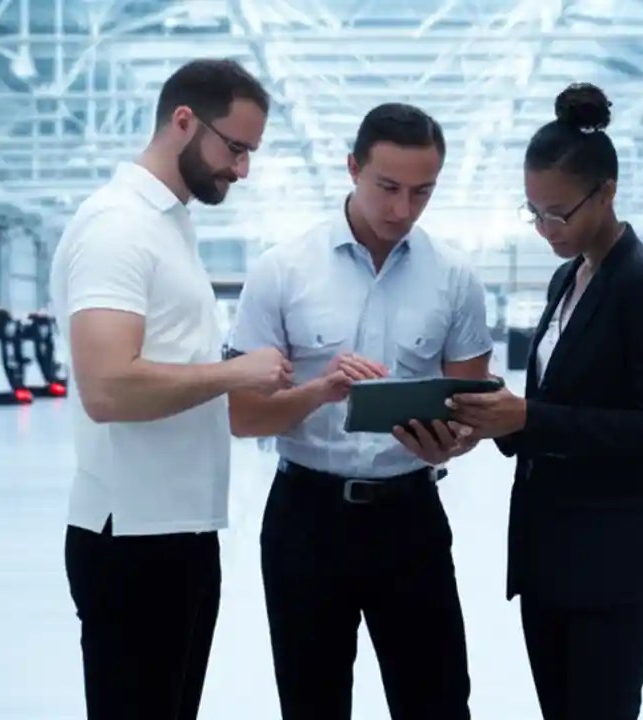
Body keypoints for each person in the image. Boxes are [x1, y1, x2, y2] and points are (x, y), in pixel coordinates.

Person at [225, 102, 493, 720]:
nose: (403, 210)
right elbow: (242, 416)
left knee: (438, 700)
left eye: (422, 192)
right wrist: (319, 390)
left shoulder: (454, 277)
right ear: (352, 168)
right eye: (388, 188)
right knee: (311, 701)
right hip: (306, 521)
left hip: (411, 519)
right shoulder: (282, 270)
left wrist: (449, 442)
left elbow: (472, 412)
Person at [49, 58, 293, 720]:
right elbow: (107, 387)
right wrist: (234, 371)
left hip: (177, 531)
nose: (242, 170)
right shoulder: (117, 226)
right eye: (235, 147)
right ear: (183, 121)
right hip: (131, 540)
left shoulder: (167, 223)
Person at [448, 82, 643, 719]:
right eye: (533, 212)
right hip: (549, 555)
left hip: (611, 564)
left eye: (558, 213)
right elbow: (558, 401)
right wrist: (496, 415)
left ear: (607, 192)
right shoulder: (568, 276)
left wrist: (530, 416)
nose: (545, 229)